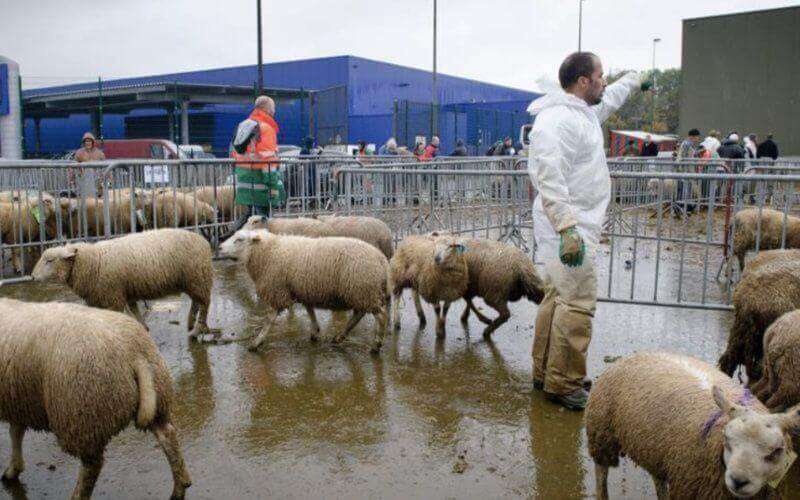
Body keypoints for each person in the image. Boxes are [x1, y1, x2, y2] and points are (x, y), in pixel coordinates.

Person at [528, 51, 647, 411]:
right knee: (577, 304)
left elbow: (610, 98)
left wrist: (635, 79)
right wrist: (567, 228)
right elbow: (548, 176)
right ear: (583, 81)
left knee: (556, 299)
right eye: (600, 76)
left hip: (574, 225)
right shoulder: (557, 122)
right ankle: (564, 384)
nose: (604, 82)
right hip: (569, 229)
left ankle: (546, 372)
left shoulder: (582, 113)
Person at [232, 95, 284, 217]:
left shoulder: (244, 125)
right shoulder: (266, 128)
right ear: (268, 109)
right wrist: (274, 189)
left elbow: (236, 152)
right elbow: (268, 160)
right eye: (274, 108)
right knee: (262, 222)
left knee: (250, 218)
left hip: (245, 182)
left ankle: (231, 234)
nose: (275, 111)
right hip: (261, 184)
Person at [70, 132, 106, 198]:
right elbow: (73, 167)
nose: (88, 143)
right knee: (85, 199)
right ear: (84, 142)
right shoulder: (79, 153)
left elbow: (105, 167)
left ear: (93, 142)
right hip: (83, 180)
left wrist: (108, 179)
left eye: (89, 141)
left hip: (97, 181)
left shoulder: (99, 153)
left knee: (98, 198)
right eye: (86, 141)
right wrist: (72, 180)